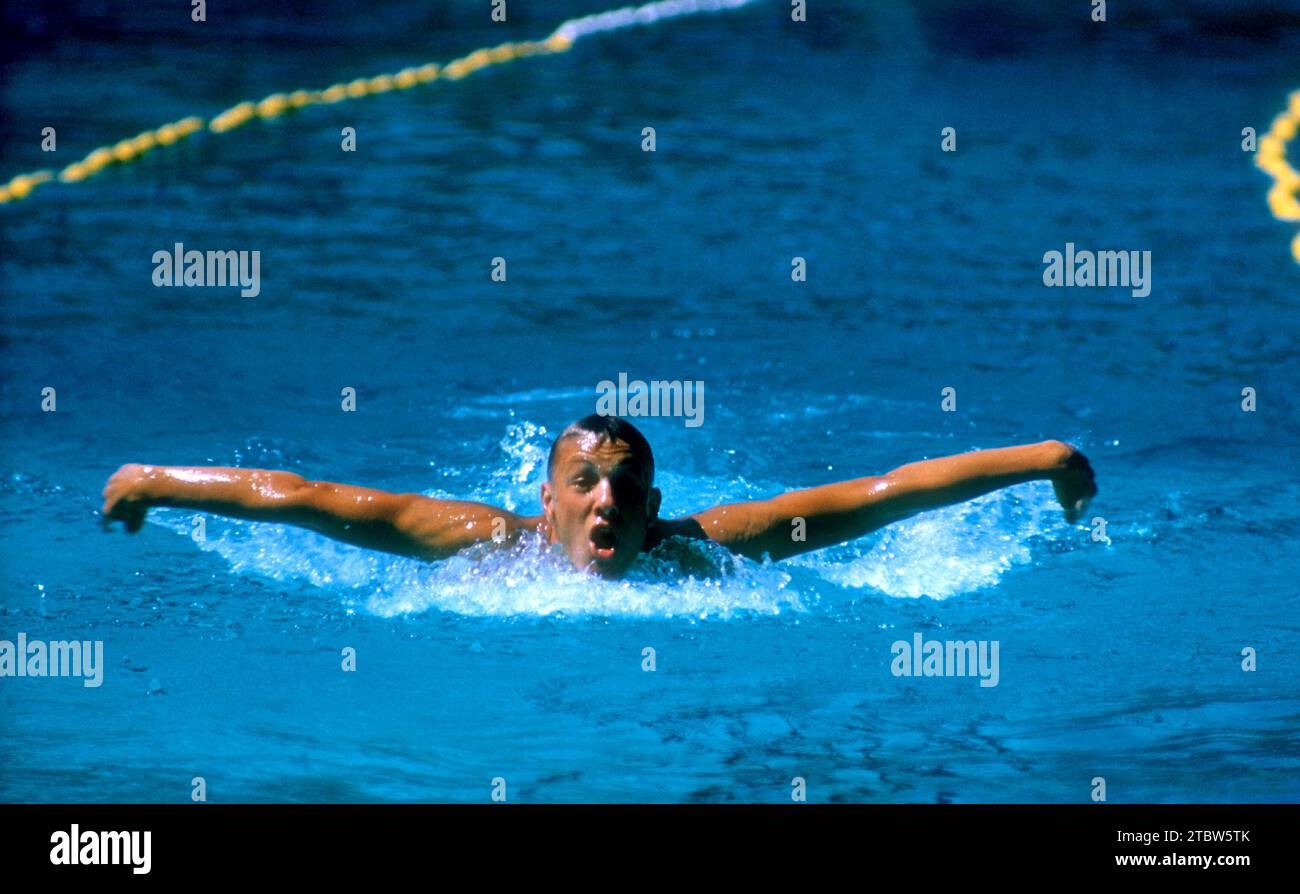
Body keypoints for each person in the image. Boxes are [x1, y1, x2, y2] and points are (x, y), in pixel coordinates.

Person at [101, 414, 1097, 579]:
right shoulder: (483, 546)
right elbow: (305, 495)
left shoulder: (697, 548)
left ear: (654, 501)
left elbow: (880, 497)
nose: (607, 501)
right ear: (547, 503)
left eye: (625, 484)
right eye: (584, 484)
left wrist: (1040, 456)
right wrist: (152, 482)